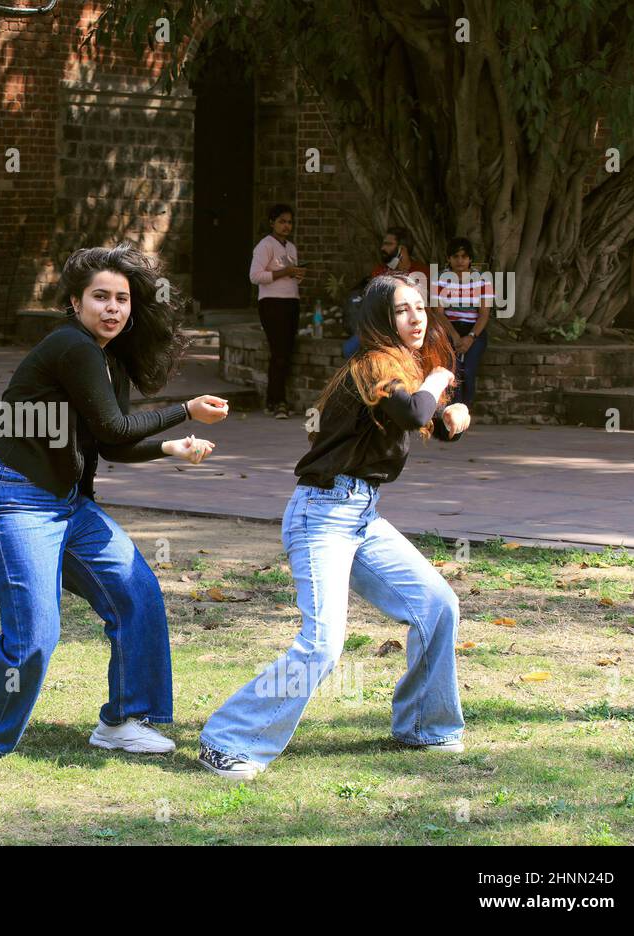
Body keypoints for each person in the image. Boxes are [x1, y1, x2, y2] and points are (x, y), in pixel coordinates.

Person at [0, 244, 229, 758]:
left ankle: (124, 721)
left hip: (68, 506)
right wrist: (183, 410)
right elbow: (114, 426)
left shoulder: (106, 359)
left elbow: (112, 442)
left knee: (136, 593)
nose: (113, 308)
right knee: (35, 633)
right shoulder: (71, 346)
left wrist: (169, 447)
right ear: (75, 302)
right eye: (101, 296)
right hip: (14, 500)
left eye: (122, 299)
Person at [199, 272, 470, 780]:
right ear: (378, 320)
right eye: (400, 311)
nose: (415, 318)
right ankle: (227, 740)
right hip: (322, 514)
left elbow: (421, 419)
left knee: (437, 605)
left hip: (362, 514)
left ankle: (424, 726)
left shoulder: (396, 368)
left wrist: (451, 417)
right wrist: (436, 385)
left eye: (419, 308)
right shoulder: (374, 366)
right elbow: (414, 411)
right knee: (323, 642)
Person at [249, 204, 305, 419]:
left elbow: (290, 274)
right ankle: (279, 402)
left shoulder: (291, 247)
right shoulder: (265, 246)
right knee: (279, 353)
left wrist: (297, 274)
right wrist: (285, 272)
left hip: (291, 301)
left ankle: (273, 400)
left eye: (289, 222)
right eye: (282, 221)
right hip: (272, 303)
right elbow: (255, 276)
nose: (286, 226)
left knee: (287, 353)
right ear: (272, 222)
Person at [434, 237, 493, 405]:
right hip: (448, 329)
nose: (460, 261)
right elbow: (438, 313)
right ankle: (451, 413)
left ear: (470, 259)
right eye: (455, 256)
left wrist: (471, 337)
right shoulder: (440, 279)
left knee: (467, 371)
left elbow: (484, 314)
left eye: (464, 256)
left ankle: (464, 411)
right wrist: (454, 336)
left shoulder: (482, 280)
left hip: (474, 330)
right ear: (448, 258)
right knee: (453, 371)